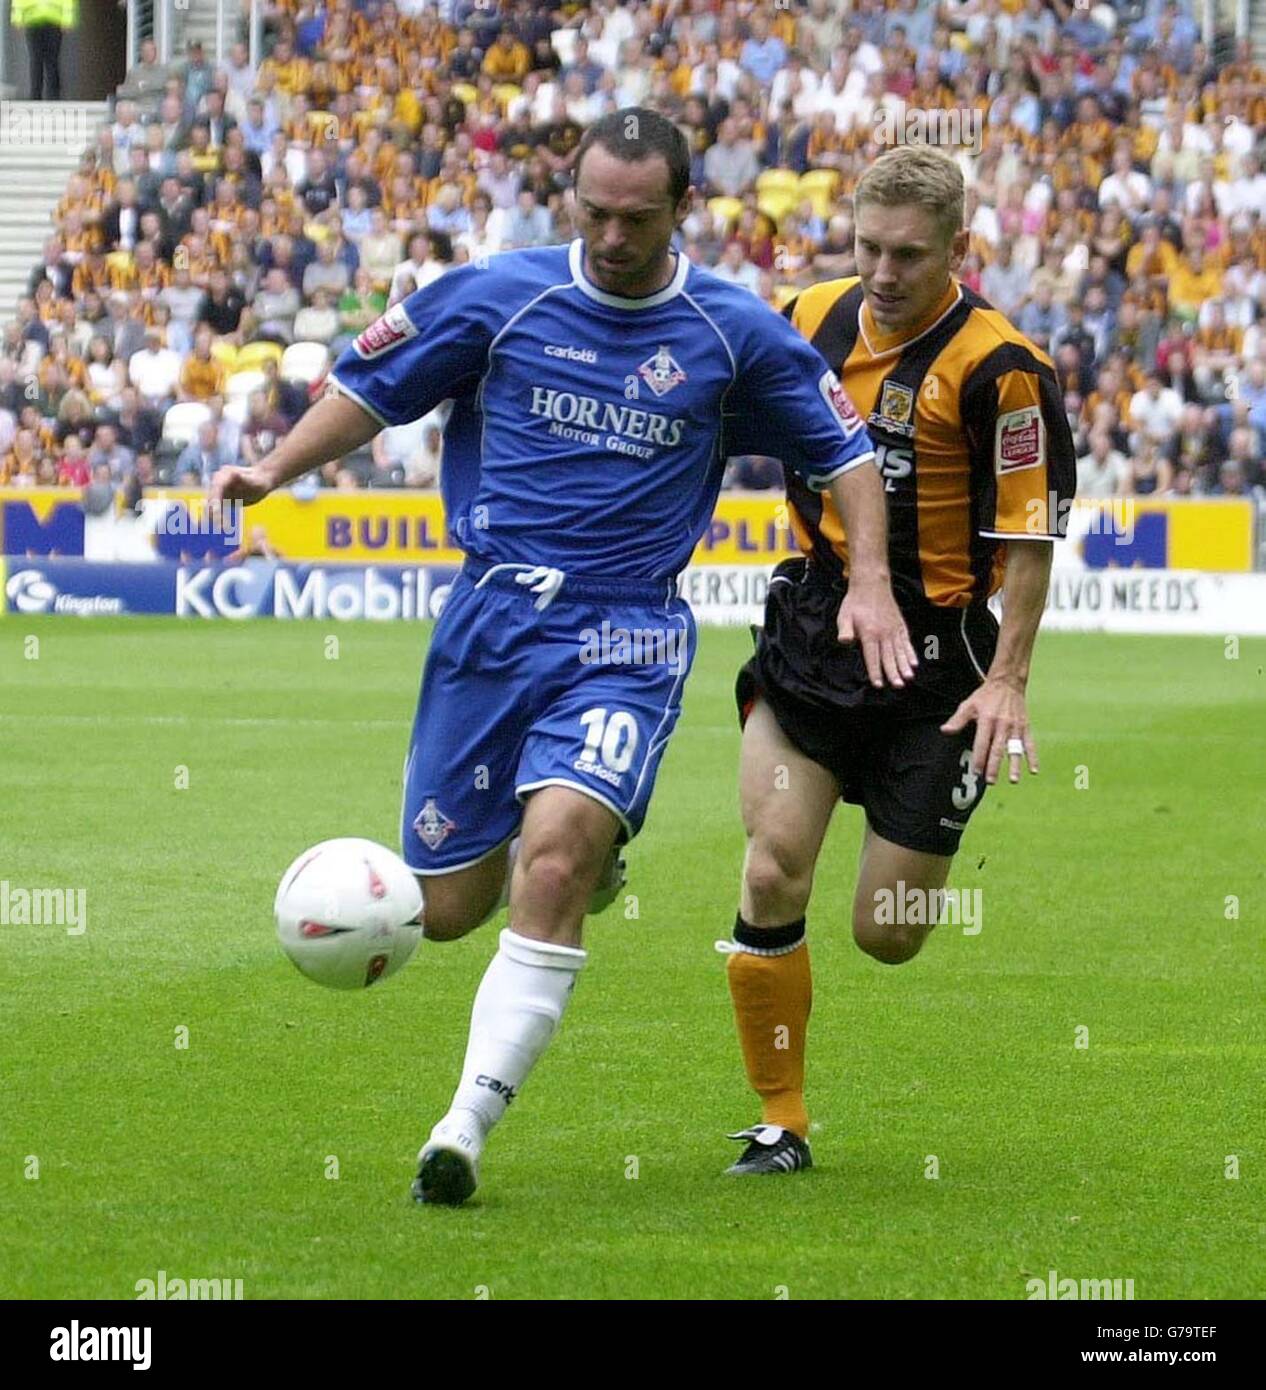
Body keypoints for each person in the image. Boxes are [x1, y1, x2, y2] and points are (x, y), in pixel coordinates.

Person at [210, 108, 911, 1208]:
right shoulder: (495, 296)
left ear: (685, 208)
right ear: (567, 198)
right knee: (443, 910)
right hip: (489, 627)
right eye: (594, 212)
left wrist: (868, 581)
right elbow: (367, 393)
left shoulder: (732, 332)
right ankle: (583, 851)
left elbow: (845, 452)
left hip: (625, 634)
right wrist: (271, 470)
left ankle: (464, 1124)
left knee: (552, 864)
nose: (614, 235)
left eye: (638, 218)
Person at [720, 145, 1077, 1176]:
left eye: (908, 255)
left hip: (942, 667)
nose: (881, 272)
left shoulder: (1004, 371)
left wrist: (1008, 679)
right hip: (819, 630)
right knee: (774, 863)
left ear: (959, 248)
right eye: (868, 247)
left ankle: (904, 806)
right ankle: (780, 1119)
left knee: (889, 929)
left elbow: (1030, 539)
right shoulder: (801, 317)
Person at [12, 0, 76, 103]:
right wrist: (17, 17)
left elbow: (67, 2)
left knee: (52, 60)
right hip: (33, 21)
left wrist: (67, 19)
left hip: (53, 21)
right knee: (36, 59)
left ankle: (53, 95)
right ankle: (36, 95)